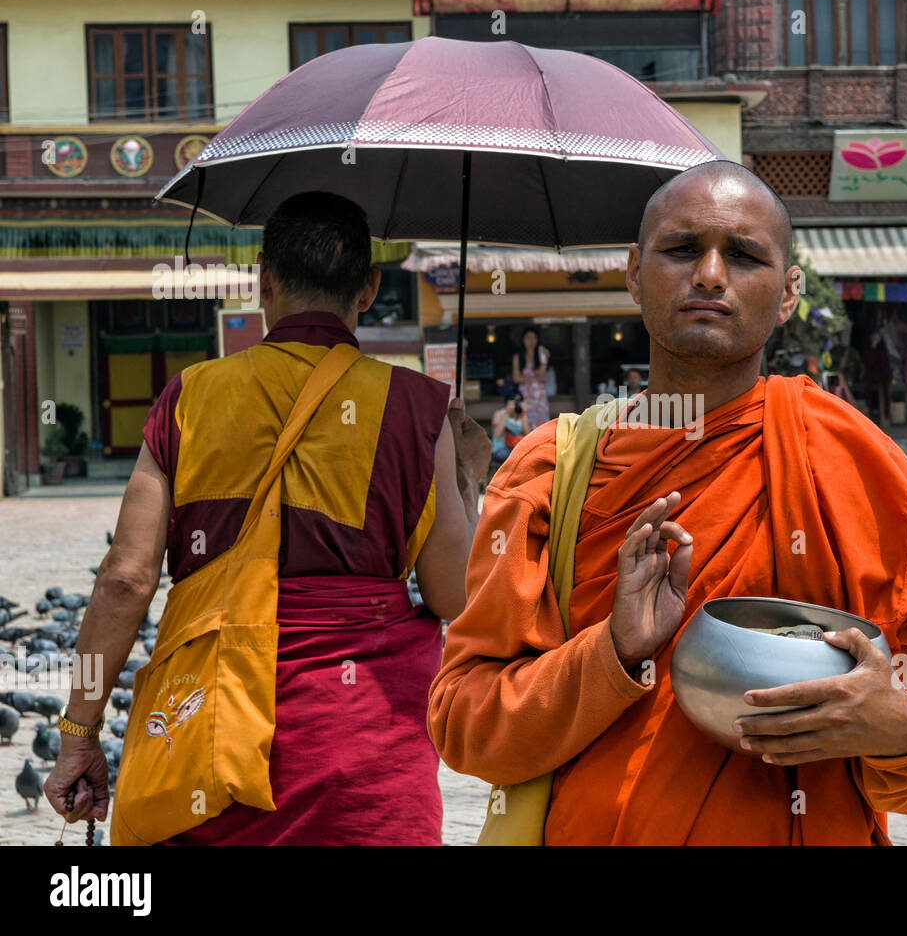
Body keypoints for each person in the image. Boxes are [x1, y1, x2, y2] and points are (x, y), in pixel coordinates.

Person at [428, 159, 907, 845]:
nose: (711, 274)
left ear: (787, 294)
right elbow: (466, 725)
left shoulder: (850, 461)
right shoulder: (552, 471)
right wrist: (611, 653)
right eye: (683, 249)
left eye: (745, 255)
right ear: (635, 273)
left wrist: (900, 728)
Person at [44, 191, 491, 843]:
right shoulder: (416, 407)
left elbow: (124, 579)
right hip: (364, 743)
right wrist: (468, 475)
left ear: (263, 279)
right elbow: (456, 593)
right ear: (367, 287)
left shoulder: (189, 398)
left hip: (209, 735)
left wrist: (79, 731)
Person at [512, 329, 550, 429]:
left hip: (539, 396)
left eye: (534, 338)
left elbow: (542, 376)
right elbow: (516, 378)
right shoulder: (518, 357)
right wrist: (535, 379)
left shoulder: (540, 355)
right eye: (528, 338)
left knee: (541, 423)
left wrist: (544, 360)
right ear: (523, 340)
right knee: (525, 421)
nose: (531, 341)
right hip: (525, 395)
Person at [491, 394, 529, 465]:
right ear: (507, 403)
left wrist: (523, 414)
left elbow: (527, 435)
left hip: (517, 448)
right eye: (513, 403)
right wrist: (506, 413)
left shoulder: (521, 415)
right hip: (501, 448)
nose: (516, 405)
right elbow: (496, 434)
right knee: (512, 457)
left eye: (518, 402)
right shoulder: (499, 414)